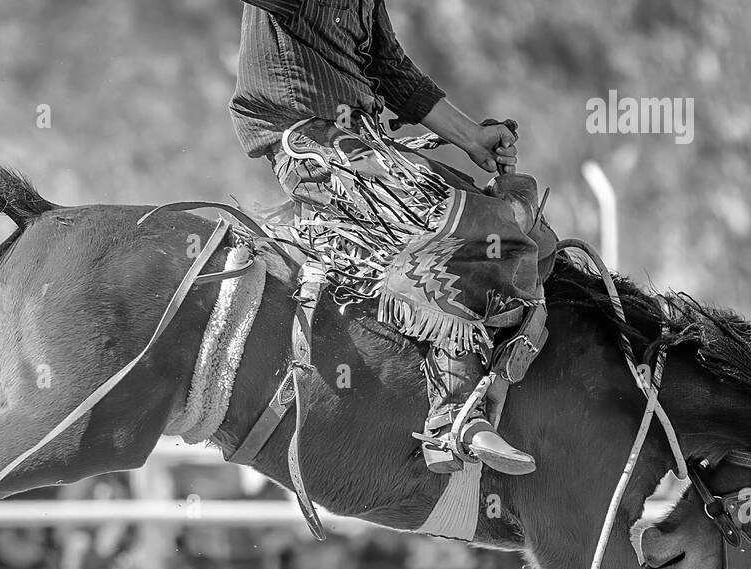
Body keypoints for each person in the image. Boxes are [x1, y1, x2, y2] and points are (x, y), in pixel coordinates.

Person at [229, 0, 543, 477]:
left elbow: (389, 68)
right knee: (459, 224)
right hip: (313, 145)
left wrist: (471, 137)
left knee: (523, 223)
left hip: (366, 141)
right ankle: (452, 415)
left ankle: (504, 387)